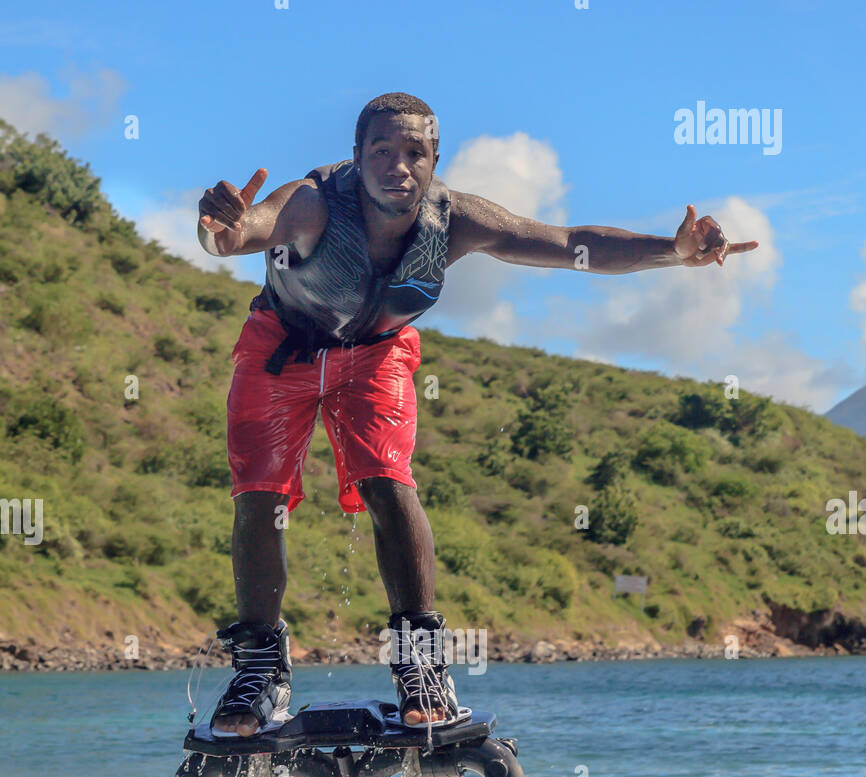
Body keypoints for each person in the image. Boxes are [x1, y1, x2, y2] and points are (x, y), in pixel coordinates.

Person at [197, 91, 757, 738]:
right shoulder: (312, 204)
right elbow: (244, 231)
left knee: (388, 482)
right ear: (356, 158)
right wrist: (221, 228)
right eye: (382, 151)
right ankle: (261, 666)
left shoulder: (455, 220)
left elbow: (571, 242)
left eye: (415, 153)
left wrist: (674, 251)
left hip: (374, 355)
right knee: (258, 495)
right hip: (282, 346)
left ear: (435, 162)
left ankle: (422, 665)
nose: (398, 166)